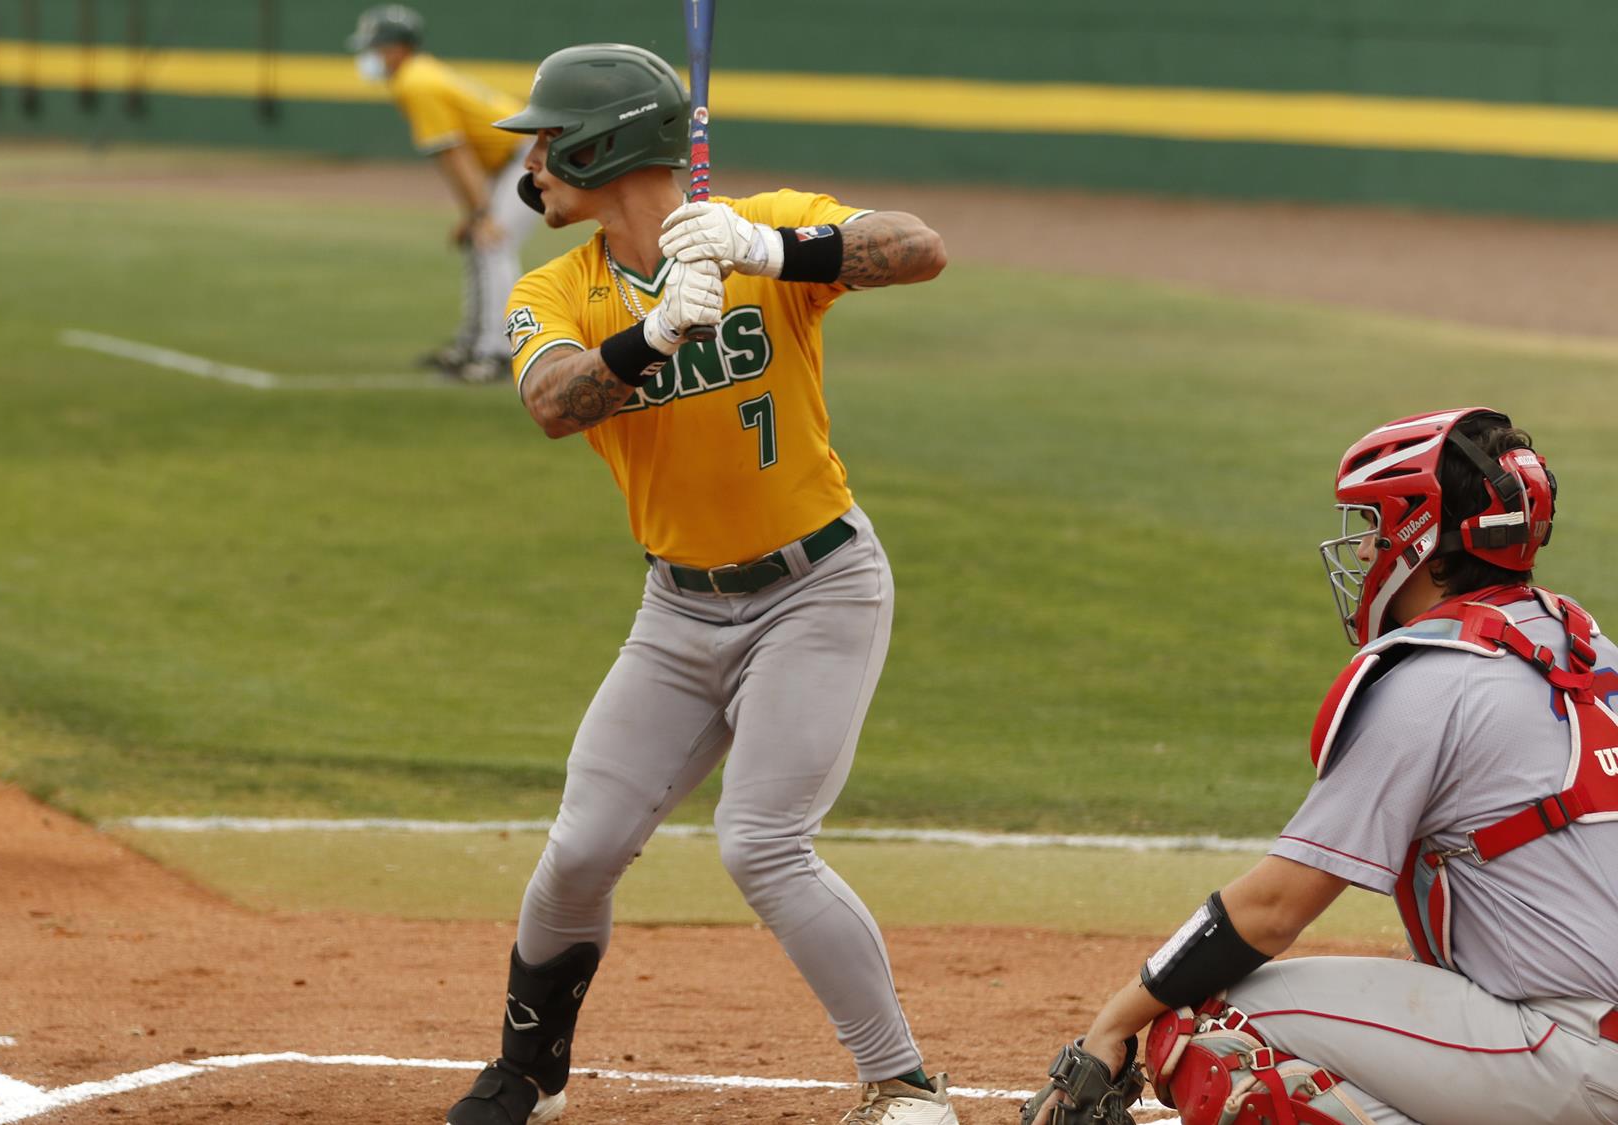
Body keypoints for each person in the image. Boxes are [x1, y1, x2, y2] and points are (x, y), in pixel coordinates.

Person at [443, 42, 956, 1125]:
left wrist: (769, 249)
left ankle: (900, 1084)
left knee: (762, 843)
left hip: (817, 591)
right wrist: (655, 330)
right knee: (580, 847)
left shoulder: (759, 230)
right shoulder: (558, 287)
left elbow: (918, 251)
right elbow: (551, 404)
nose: (531, 164)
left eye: (547, 141)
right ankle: (527, 1070)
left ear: (600, 144)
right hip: (676, 611)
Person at [1023, 407, 1618, 1125]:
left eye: (1373, 526)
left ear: (1421, 541)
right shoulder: (1586, 646)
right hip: (1582, 1042)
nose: (1364, 550)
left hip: (1577, 1057)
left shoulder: (1430, 680)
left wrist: (1113, 1021)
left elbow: (1273, 910)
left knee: (1213, 1026)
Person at [346, 4, 534, 384]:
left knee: (492, 243)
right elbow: (457, 151)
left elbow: (454, 152)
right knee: (479, 241)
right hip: (512, 158)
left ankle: (496, 353)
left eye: (376, 47)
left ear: (398, 47)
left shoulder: (415, 82)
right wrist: (474, 214)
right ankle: (472, 345)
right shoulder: (419, 75)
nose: (370, 56)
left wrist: (480, 214)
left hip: (529, 158)